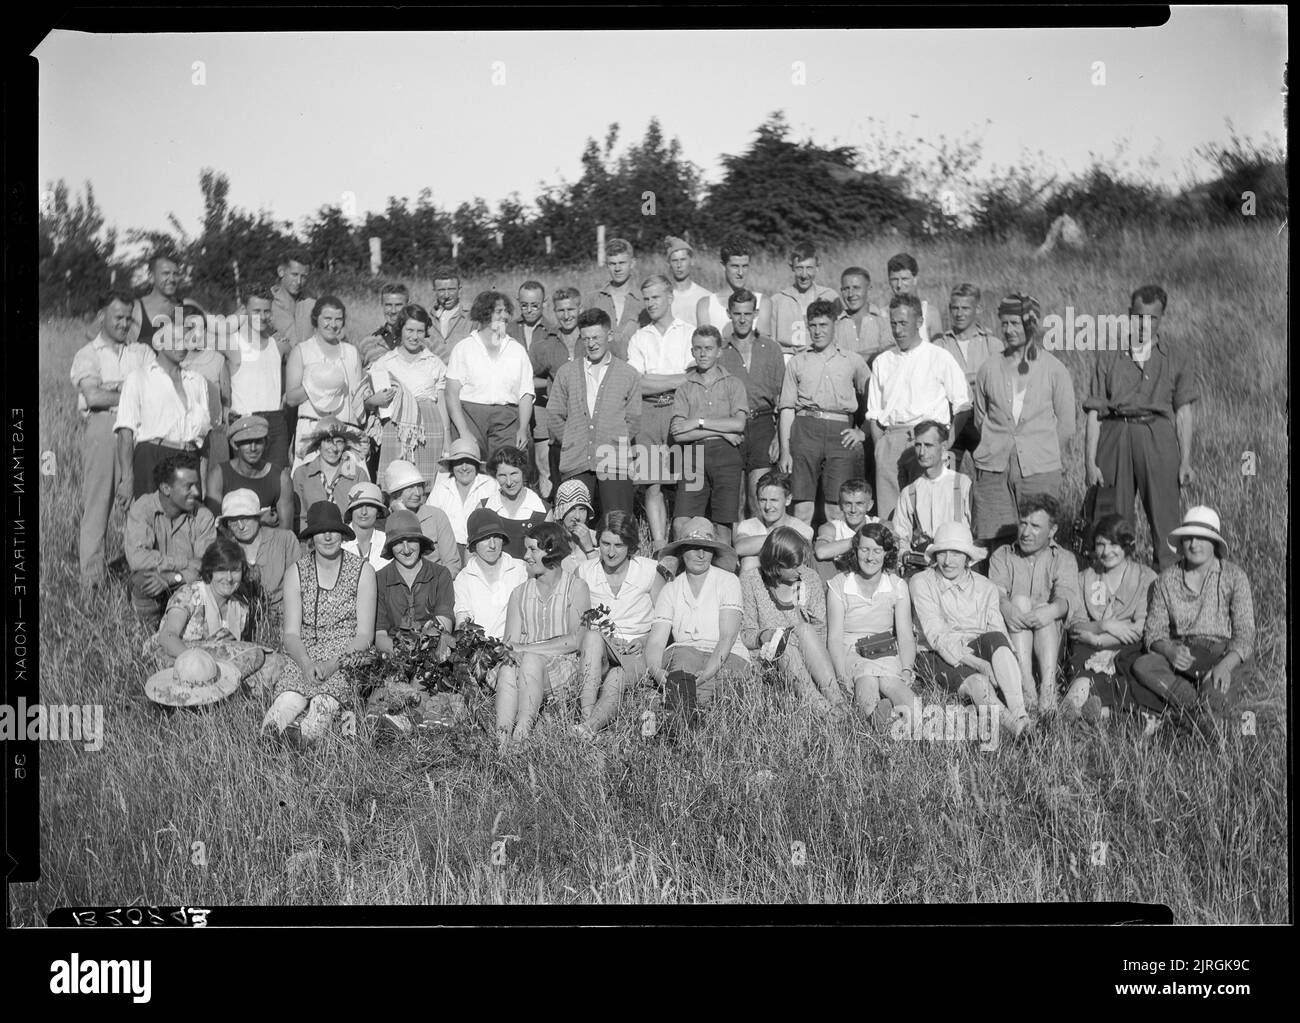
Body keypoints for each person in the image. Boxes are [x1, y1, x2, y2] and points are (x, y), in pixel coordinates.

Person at [1083, 285, 1198, 570]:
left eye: (1152, 319)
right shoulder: (1109, 355)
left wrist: (1185, 461)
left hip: (1156, 436)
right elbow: (1095, 414)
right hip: (1115, 435)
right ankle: (1117, 590)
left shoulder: (1177, 356)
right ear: (1129, 315)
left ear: (1161, 319)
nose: (1144, 325)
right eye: (1138, 317)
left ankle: (1169, 588)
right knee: (1111, 519)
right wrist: (1089, 462)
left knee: (1166, 518)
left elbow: (1183, 412)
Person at [1128, 506, 1255, 741]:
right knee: (1143, 665)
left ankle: (1190, 717)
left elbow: (1245, 634)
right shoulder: (1167, 579)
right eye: (1189, 538)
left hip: (1222, 653)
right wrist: (1170, 650)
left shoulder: (1234, 576)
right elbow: (1153, 632)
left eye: (1202, 538)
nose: (1194, 544)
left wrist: (1225, 666)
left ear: (1215, 543)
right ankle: (1198, 711)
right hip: (1184, 654)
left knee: (1215, 696)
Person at [262, 501, 377, 746]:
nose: (327, 536)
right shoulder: (296, 571)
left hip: (346, 655)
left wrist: (334, 664)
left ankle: (303, 741)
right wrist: (305, 663)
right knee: (288, 699)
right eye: (320, 531)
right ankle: (268, 741)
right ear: (311, 537)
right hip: (305, 654)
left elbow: (365, 635)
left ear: (342, 534)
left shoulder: (363, 571)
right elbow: (291, 633)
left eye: (333, 530)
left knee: (323, 703)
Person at [908, 521, 1032, 738]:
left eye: (955, 554)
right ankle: (1016, 728)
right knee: (978, 681)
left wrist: (1008, 663)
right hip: (936, 653)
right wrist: (981, 664)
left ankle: (1021, 715)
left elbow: (998, 632)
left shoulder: (986, 587)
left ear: (967, 557)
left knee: (997, 639)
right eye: (942, 553)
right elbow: (937, 635)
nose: (948, 561)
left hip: (978, 645)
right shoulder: (921, 582)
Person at [971, 293, 1076, 549]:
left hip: (1039, 469)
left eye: (1015, 323)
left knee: (1037, 539)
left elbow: (1066, 425)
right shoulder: (988, 368)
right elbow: (980, 419)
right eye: (1004, 323)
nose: (1008, 330)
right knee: (996, 540)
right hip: (994, 468)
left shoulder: (1054, 369)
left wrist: (1040, 451)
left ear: (1031, 325)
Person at [70, 289, 155, 587]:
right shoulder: (88, 354)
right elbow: (93, 396)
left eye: (128, 318)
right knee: (98, 506)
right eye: (118, 317)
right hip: (103, 431)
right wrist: (129, 392)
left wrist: (114, 390)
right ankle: (91, 583)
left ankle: (143, 582)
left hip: (139, 433)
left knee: (143, 506)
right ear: (101, 316)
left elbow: (153, 390)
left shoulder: (141, 352)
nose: (123, 324)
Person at [866, 294, 971, 523]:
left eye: (903, 323)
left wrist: (946, 442)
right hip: (891, 439)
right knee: (891, 515)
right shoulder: (882, 361)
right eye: (893, 323)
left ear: (919, 323)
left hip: (927, 439)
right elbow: (873, 413)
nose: (898, 330)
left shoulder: (939, 357)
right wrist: (880, 447)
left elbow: (963, 404)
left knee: (928, 511)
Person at [142, 536, 282, 693]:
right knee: (255, 654)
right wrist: (196, 662)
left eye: (235, 570)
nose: (229, 578)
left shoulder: (241, 608)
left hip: (217, 665)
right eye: (221, 570)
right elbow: (167, 636)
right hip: (179, 658)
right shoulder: (191, 594)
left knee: (273, 661)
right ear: (210, 571)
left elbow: (234, 650)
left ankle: (227, 690)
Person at [495, 523, 592, 744]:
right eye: (526, 549)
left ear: (551, 550)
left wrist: (527, 649)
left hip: (563, 666)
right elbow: (510, 645)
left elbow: (576, 640)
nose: (526, 556)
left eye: (533, 549)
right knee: (509, 668)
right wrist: (518, 651)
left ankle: (521, 733)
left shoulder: (576, 588)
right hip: (526, 666)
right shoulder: (519, 593)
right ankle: (501, 740)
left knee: (529, 660)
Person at [777, 298, 871, 526]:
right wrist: (785, 450)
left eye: (823, 325)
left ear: (834, 325)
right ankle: (798, 557)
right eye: (813, 326)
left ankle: (833, 556)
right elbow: (787, 409)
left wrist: (862, 432)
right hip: (805, 430)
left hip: (840, 434)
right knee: (802, 507)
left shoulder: (853, 361)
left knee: (836, 508)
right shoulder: (798, 362)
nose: (817, 331)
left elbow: (875, 402)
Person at [645, 518, 750, 719]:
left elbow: (727, 637)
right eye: (694, 548)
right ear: (683, 550)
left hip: (726, 656)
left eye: (706, 549)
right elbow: (656, 641)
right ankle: (685, 716)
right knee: (684, 657)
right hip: (687, 655)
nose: (701, 555)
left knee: (722, 684)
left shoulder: (728, 581)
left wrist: (706, 673)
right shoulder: (671, 589)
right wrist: (657, 672)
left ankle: (686, 711)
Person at [366, 509, 459, 736]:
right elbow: (379, 634)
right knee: (378, 699)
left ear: (421, 541)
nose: (406, 549)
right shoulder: (379, 579)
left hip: (431, 655)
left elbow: (443, 624)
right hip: (393, 655)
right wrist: (400, 659)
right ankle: (400, 715)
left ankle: (413, 713)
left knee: (426, 685)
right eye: (398, 543)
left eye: (411, 541)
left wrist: (418, 655)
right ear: (390, 547)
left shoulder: (440, 575)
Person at [987, 495, 1083, 715]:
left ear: (1052, 530)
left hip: (1049, 639)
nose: (1026, 532)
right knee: (1018, 601)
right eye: (1023, 523)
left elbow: (1066, 599)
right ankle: (1026, 684)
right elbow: (995, 592)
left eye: (1035, 526)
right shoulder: (1002, 555)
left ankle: (1048, 690)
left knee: (1044, 609)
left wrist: (1049, 611)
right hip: (1012, 635)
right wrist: (1007, 607)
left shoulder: (1064, 558)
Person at [574, 510, 665, 737]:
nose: (611, 552)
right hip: (599, 648)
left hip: (635, 649)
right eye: (605, 544)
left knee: (616, 678)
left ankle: (589, 727)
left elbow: (666, 619)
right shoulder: (585, 571)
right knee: (593, 637)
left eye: (619, 545)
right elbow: (578, 623)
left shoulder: (648, 570)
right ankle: (586, 714)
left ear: (630, 546)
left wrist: (644, 640)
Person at [1062, 514, 1159, 724]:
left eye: (1114, 544)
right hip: (1087, 643)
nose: (1106, 552)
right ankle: (1069, 711)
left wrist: (1099, 640)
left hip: (1127, 645)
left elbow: (1141, 628)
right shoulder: (1086, 577)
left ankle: (1103, 713)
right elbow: (1075, 625)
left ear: (1126, 544)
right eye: (1100, 544)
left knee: (1130, 667)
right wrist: (1104, 625)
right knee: (1081, 665)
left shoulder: (1145, 577)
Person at [548, 308, 641, 521]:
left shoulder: (628, 374)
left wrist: (613, 444)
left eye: (596, 337)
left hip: (615, 462)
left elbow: (634, 419)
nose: (591, 343)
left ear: (609, 336)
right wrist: (573, 439)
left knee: (616, 525)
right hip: (576, 460)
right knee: (575, 525)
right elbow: (554, 415)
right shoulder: (567, 372)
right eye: (586, 338)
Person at [740, 527, 845, 715]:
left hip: (809, 655)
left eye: (802, 563)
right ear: (776, 565)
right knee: (785, 645)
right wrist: (765, 635)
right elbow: (746, 634)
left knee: (804, 629)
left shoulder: (807, 579)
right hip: (770, 659)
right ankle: (821, 708)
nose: (800, 570)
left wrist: (801, 609)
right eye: (794, 566)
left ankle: (837, 700)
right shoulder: (752, 581)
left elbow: (819, 629)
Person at [628, 274, 697, 549]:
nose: (650, 303)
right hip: (648, 414)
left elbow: (693, 378)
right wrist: (677, 379)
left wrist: (655, 381)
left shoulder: (689, 332)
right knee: (652, 483)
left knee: (685, 480)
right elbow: (636, 383)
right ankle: (658, 545)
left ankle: (683, 542)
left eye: (656, 297)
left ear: (670, 297)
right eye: (646, 299)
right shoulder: (639, 337)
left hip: (679, 411)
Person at [114, 312, 213, 503]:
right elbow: (125, 432)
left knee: (187, 527)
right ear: (159, 343)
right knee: (153, 523)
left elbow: (204, 441)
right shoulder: (139, 378)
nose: (183, 345)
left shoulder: (198, 382)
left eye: (186, 339)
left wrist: (203, 482)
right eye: (175, 340)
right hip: (153, 457)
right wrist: (127, 479)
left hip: (189, 459)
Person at [827, 523, 919, 724]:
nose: (870, 557)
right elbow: (834, 638)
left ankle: (915, 717)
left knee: (892, 681)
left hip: (884, 648)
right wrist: (841, 674)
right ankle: (876, 717)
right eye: (864, 549)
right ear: (855, 550)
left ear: (886, 553)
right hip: (851, 650)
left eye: (877, 551)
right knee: (866, 678)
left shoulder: (896, 585)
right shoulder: (840, 585)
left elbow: (905, 636)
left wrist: (906, 668)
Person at [669, 326, 748, 544]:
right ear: (692, 351)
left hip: (726, 457)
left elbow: (739, 424)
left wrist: (697, 422)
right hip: (694, 457)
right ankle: (681, 571)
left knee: (723, 524)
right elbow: (679, 434)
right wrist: (722, 432)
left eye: (709, 348)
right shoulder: (685, 388)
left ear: (719, 351)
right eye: (698, 349)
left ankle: (724, 573)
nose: (703, 354)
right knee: (681, 521)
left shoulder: (733, 383)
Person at [124, 453, 217, 630]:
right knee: (144, 579)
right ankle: (147, 630)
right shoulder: (143, 509)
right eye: (188, 486)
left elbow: (206, 566)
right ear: (166, 489)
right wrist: (184, 563)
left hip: (188, 584)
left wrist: (173, 577)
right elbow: (137, 558)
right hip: (156, 581)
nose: (196, 492)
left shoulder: (203, 516)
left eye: (196, 485)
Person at [363, 303, 450, 488]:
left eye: (419, 331)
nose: (414, 336)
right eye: (409, 330)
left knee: (427, 484)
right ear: (400, 329)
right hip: (396, 429)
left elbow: (441, 403)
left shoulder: (434, 363)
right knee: (397, 483)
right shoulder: (384, 363)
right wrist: (374, 400)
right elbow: (367, 401)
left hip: (430, 428)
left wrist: (447, 441)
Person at [718, 288, 785, 519]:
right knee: (734, 501)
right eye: (737, 313)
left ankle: (759, 552)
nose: (743, 319)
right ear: (729, 314)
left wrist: (778, 436)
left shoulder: (771, 348)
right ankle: (734, 553)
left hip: (763, 425)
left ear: (755, 313)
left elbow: (782, 397)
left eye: (748, 313)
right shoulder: (720, 351)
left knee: (759, 498)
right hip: (733, 427)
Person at [445, 290, 535, 457]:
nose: (504, 316)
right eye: (498, 311)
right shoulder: (464, 348)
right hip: (470, 416)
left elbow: (526, 394)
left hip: (507, 419)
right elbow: (451, 393)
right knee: (472, 468)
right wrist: (463, 431)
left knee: (506, 468)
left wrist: (523, 428)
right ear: (484, 313)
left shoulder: (517, 350)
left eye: (506, 311)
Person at [283, 296, 365, 474]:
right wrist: (318, 384)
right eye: (327, 319)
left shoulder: (351, 352)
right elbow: (291, 399)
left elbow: (357, 398)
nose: (333, 324)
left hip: (345, 432)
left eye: (338, 319)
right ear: (316, 319)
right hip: (312, 430)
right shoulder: (302, 351)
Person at [933, 284, 1003, 470]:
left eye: (965, 308)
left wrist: (960, 380)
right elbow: (935, 383)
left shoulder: (992, 345)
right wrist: (975, 378)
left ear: (978, 309)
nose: (959, 313)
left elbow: (999, 382)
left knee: (987, 475)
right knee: (945, 476)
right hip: (950, 419)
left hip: (983, 419)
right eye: (955, 308)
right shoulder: (939, 345)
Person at [225, 285, 293, 470]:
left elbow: (301, 366)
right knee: (245, 482)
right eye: (256, 311)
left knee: (279, 481)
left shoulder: (279, 345)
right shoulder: (232, 343)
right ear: (244, 310)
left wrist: (287, 396)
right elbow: (199, 337)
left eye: (266, 311)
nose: (262, 317)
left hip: (275, 421)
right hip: (244, 419)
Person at [513, 281, 567, 501]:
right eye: (524, 305)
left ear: (544, 303)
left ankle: (547, 505)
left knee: (544, 461)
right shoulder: (509, 329)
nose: (529, 310)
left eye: (534, 305)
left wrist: (526, 383)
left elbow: (556, 374)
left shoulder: (554, 332)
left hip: (543, 404)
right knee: (518, 459)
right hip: (514, 405)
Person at [216, 488, 300, 629]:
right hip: (241, 624)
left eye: (245, 518)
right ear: (227, 524)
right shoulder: (225, 551)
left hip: (285, 621)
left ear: (257, 517)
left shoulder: (285, 540)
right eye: (234, 521)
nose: (241, 526)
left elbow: (300, 585)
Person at [892, 420, 973, 555]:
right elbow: (900, 536)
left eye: (928, 445)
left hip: (959, 560)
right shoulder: (910, 491)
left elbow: (977, 531)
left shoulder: (962, 484)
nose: (922, 452)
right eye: (918, 445)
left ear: (944, 446)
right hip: (923, 563)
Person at [207, 415, 293, 530]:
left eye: (258, 442)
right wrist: (258, 521)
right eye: (247, 442)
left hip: (267, 544)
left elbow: (286, 530)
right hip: (229, 544)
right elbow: (214, 524)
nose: (253, 448)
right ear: (235, 444)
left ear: (266, 443)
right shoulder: (219, 475)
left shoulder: (281, 478)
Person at [454, 509, 528, 639]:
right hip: (480, 650)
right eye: (485, 538)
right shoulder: (463, 579)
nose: (492, 545)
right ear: (473, 543)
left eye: (497, 537)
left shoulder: (520, 569)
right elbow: (462, 622)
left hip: (517, 647)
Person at [290, 416, 370, 535]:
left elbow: (364, 517)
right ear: (318, 444)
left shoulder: (358, 474)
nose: (334, 448)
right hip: (313, 540)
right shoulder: (301, 474)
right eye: (328, 441)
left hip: (348, 540)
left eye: (339, 442)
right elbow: (300, 518)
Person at [382, 459, 461, 576]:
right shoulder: (385, 521)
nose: (417, 493)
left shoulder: (436, 516)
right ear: (396, 493)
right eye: (409, 488)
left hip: (436, 583)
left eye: (419, 486)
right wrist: (403, 515)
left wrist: (437, 586)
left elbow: (452, 563)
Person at [425, 439, 500, 555]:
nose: (464, 467)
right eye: (459, 462)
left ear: (476, 465)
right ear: (452, 465)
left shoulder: (491, 485)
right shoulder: (441, 488)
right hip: (447, 551)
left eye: (468, 462)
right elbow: (428, 522)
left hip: (482, 550)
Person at [767, 242, 840, 360]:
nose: (804, 275)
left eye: (809, 268)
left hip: (822, 358)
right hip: (787, 359)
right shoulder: (778, 300)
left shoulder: (830, 297)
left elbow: (839, 336)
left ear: (817, 267)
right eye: (799, 268)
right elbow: (771, 343)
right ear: (792, 267)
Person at [179, 305, 231, 465]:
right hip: (183, 437)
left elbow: (226, 400)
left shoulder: (217, 359)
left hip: (214, 435)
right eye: (188, 328)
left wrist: (226, 429)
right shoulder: (175, 361)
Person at [734, 470, 814, 573]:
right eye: (762, 500)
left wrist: (757, 556)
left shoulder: (802, 529)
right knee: (748, 563)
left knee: (750, 562)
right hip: (756, 584)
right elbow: (740, 548)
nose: (767, 506)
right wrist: (784, 539)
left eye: (774, 500)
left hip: (789, 585)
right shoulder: (749, 525)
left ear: (788, 499)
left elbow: (797, 564)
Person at [482, 446, 550, 558]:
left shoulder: (543, 512)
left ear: (523, 472)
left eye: (514, 474)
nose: (509, 482)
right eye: (502, 475)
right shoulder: (484, 508)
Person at [586, 238, 645, 358]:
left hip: (634, 369)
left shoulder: (644, 300)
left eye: (622, 263)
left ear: (632, 263)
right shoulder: (593, 299)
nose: (617, 269)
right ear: (607, 265)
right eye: (612, 264)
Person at [813, 477, 879, 577]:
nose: (853, 510)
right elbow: (821, 552)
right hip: (840, 582)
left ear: (869, 505)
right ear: (840, 505)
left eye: (859, 504)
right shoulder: (831, 528)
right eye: (848, 504)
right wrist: (859, 540)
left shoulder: (879, 524)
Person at [834, 266, 890, 366]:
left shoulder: (884, 322)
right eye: (846, 289)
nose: (851, 294)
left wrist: (848, 359)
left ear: (869, 289)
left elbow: (888, 356)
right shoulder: (835, 326)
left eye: (856, 288)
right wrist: (872, 354)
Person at [885, 253, 942, 341]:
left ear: (915, 279)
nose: (899, 285)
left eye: (904, 279)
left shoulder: (929, 313)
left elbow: (938, 350)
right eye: (894, 279)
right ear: (889, 281)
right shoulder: (883, 314)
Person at [356, 282, 410, 368]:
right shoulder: (368, 343)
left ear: (407, 305)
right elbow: (356, 377)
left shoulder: (423, 341)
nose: (393, 311)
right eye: (388, 305)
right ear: (382, 305)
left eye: (398, 305)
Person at [427, 267, 475, 361]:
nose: (446, 295)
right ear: (434, 291)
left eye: (451, 289)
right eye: (441, 290)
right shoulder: (427, 318)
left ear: (459, 290)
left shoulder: (473, 316)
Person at [554, 479, 600, 573]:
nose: (577, 517)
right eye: (571, 509)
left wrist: (589, 548)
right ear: (561, 512)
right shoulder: (551, 541)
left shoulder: (598, 539)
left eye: (582, 509)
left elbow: (602, 576)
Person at [664, 236, 713, 326]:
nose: (679, 265)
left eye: (683, 260)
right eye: (674, 261)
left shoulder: (705, 296)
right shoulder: (663, 297)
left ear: (692, 261)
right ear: (669, 265)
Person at [341, 482, 389, 572]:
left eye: (370, 506)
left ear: (378, 512)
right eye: (358, 506)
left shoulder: (387, 542)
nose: (364, 512)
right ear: (351, 510)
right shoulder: (338, 542)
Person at [270, 252, 315, 349]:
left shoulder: (313, 305)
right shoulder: (265, 305)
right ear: (281, 271)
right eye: (294, 275)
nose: (298, 281)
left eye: (303, 277)